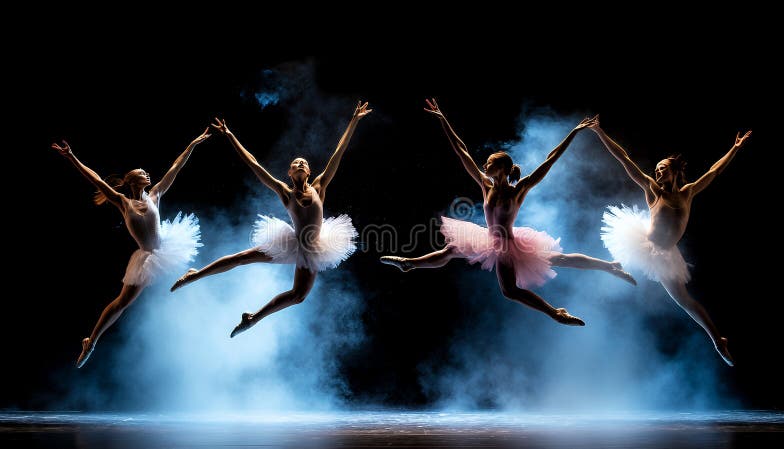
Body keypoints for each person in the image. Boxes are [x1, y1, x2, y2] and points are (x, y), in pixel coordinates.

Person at [381, 99, 634, 326]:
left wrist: (573, 132)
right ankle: (409, 264)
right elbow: (462, 151)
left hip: (509, 244)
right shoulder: (485, 184)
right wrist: (443, 119)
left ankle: (578, 294)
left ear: (501, 167)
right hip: (488, 239)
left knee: (540, 272)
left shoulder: (519, 189)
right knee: (451, 251)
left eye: (489, 163)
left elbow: (551, 159)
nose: (484, 165)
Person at [171, 102, 370, 337]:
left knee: (299, 296)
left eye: (304, 163)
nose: (301, 164)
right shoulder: (285, 192)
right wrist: (230, 135)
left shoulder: (319, 186)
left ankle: (253, 318)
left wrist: (354, 120)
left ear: (308, 172)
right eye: (296, 163)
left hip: (315, 246)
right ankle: (195, 274)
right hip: (292, 243)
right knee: (243, 257)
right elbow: (254, 163)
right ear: (289, 172)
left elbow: (339, 152)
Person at [590, 119, 750, 366]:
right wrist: (600, 131)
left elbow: (714, 171)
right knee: (616, 268)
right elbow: (624, 159)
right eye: (656, 169)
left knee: (685, 301)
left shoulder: (688, 192)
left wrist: (735, 148)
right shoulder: (654, 190)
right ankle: (601, 273)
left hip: (667, 253)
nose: (657, 172)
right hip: (645, 244)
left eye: (662, 168)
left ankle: (719, 341)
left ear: (675, 171)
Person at [52, 129, 208, 368]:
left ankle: (201, 339)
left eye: (146, 172)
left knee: (192, 284)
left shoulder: (155, 195)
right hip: (146, 259)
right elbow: (96, 180)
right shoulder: (123, 202)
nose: (147, 173)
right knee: (122, 303)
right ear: (132, 180)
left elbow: (176, 167)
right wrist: (71, 156)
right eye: (141, 172)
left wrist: (193, 144)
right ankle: (91, 342)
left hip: (167, 249)